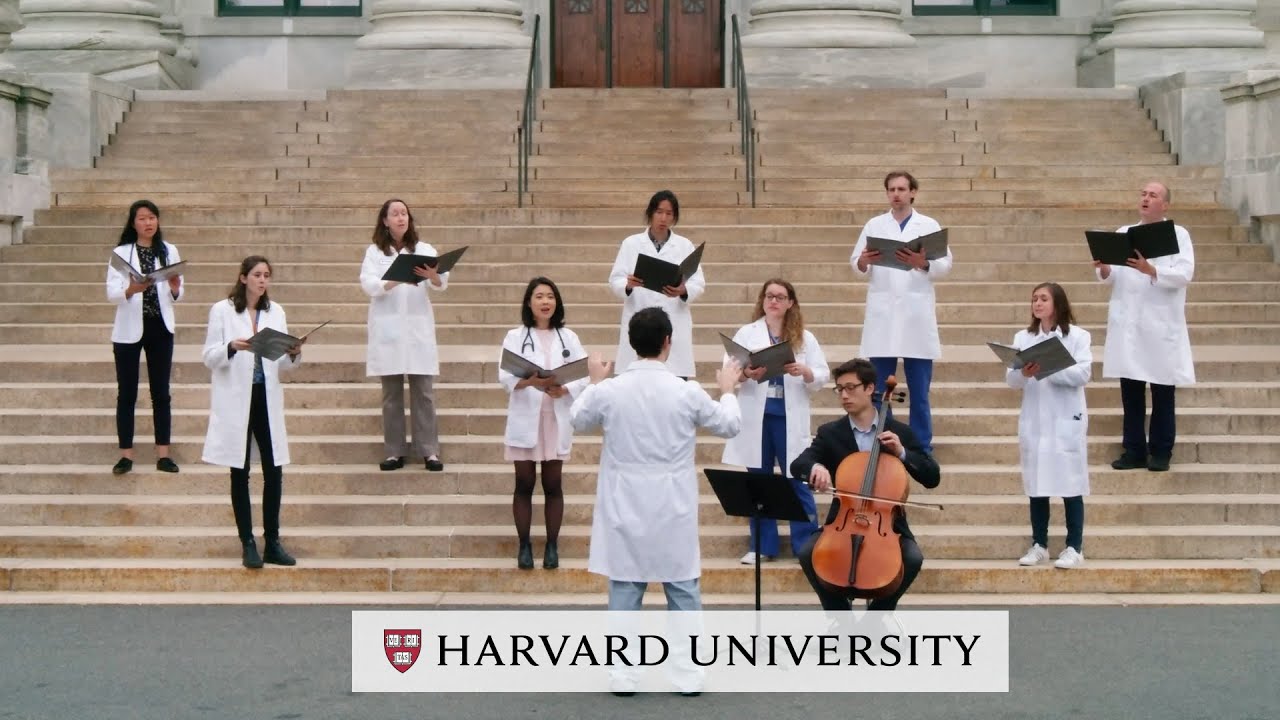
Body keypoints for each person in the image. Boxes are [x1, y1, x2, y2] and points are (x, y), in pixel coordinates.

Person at [570, 307, 741, 696]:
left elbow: (578, 419)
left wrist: (595, 381)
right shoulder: (686, 390)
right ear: (668, 342)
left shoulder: (611, 390)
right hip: (671, 502)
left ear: (632, 345)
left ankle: (623, 675)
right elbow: (729, 424)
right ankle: (687, 675)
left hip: (624, 500)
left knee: (626, 589)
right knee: (682, 590)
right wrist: (729, 391)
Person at [791, 358, 940, 613]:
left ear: (870, 388)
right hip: (842, 522)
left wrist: (903, 453)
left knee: (913, 559)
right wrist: (817, 468)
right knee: (807, 553)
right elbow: (799, 464)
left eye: (851, 388)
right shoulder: (831, 432)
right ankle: (840, 619)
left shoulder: (898, 432)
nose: (844, 395)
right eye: (840, 389)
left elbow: (932, 477)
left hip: (888, 527)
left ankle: (876, 619)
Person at [201, 256, 301, 569]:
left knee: (274, 469)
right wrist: (232, 346)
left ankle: (272, 540)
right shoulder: (223, 310)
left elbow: (281, 364)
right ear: (243, 278)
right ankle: (247, 542)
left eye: (267, 275)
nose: (262, 280)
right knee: (239, 469)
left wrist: (293, 352)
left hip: (265, 396)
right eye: (257, 275)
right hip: (236, 397)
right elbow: (209, 356)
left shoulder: (276, 311)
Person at [720, 278, 830, 565]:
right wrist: (746, 374)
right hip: (758, 415)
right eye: (769, 296)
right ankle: (762, 545)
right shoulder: (747, 333)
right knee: (759, 479)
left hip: (788, 416)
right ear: (762, 300)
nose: (774, 301)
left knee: (797, 476)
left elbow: (822, 375)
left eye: (781, 297)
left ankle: (806, 544)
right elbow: (729, 370)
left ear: (791, 302)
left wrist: (805, 371)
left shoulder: (805, 337)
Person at [849, 170, 954, 454]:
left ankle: (921, 444)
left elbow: (945, 264)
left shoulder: (928, 224)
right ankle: (886, 440)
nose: (896, 194)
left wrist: (923, 262)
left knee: (919, 391)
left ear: (913, 192)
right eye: (891, 189)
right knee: (881, 389)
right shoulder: (875, 224)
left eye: (901, 189)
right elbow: (856, 264)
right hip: (883, 314)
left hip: (915, 315)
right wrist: (863, 261)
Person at [1096, 181, 1196, 473]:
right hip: (1129, 323)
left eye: (1153, 195)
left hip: (1160, 324)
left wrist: (1152, 270)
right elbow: (1111, 275)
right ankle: (1134, 449)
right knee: (1131, 390)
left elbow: (1185, 274)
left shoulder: (1179, 235)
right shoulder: (1124, 233)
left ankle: (1161, 451)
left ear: (1165, 204)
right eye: (1143, 193)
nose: (1145, 198)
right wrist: (1103, 267)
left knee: (1163, 390)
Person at [498, 277, 589, 571]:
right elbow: (505, 376)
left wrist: (566, 389)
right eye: (539, 296)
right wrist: (529, 382)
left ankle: (552, 546)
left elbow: (583, 374)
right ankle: (524, 545)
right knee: (524, 484)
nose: (545, 301)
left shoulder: (569, 337)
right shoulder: (515, 336)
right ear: (529, 303)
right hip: (527, 415)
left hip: (555, 415)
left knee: (553, 485)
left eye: (550, 296)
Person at [1005, 283, 1092, 570]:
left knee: (1070, 481)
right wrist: (1024, 373)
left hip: (1065, 417)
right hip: (1036, 418)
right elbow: (1012, 379)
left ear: (1058, 303)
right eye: (1034, 299)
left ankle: (1074, 547)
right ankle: (1039, 544)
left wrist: (1049, 368)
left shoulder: (1078, 336)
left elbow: (1083, 373)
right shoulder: (1024, 336)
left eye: (1043, 298)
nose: (1037, 303)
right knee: (1038, 483)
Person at [359, 198, 448, 472]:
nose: (401, 218)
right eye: (395, 214)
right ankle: (394, 451)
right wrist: (393, 280)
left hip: (417, 329)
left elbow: (441, 284)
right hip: (389, 331)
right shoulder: (375, 252)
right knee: (392, 395)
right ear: (385, 221)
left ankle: (429, 451)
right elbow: (368, 284)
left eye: (404, 213)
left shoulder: (423, 249)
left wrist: (433, 275)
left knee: (424, 392)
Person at [106, 199, 184, 475]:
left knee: (161, 393)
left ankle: (163, 454)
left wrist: (175, 287)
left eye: (152, 217)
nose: (148, 222)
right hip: (128, 329)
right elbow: (112, 292)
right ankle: (125, 455)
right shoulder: (121, 253)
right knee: (126, 393)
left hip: (160, 327)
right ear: (133, 223)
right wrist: (131, 289)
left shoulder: (169, 250)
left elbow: (178, 293)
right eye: (142, 218)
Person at [607, 190, 706, 379]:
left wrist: (683, 290)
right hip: (639, 313)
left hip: (673, 317)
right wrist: (628, 284)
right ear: (650, 213)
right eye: (659, 212)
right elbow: (615, 279)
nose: (663, 218)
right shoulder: (631, 243)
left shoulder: (684, 245)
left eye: (669, 214)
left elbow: (698, 282)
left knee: (674, 383)